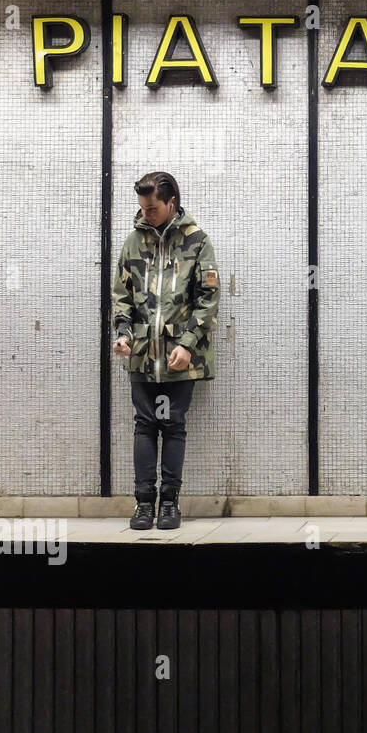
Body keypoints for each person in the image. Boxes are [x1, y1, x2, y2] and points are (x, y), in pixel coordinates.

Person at [109, 171, 220, 531]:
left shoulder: (197, 242)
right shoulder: (132, 243)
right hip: (142, 355)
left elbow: (208, 301)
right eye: (142, 207)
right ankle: (144, 504)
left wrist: (188, 346)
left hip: (179, 359)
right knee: (144, 426)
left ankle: (170, 503)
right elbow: (121, 297)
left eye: (152, 207)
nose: (146, 214)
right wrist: (123, 335)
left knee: (173, 427)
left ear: (171, 203)